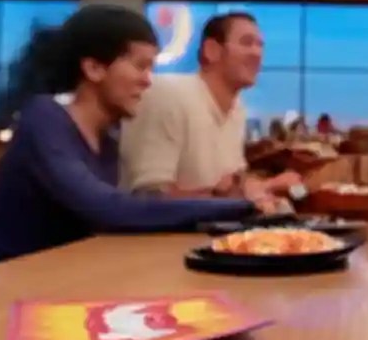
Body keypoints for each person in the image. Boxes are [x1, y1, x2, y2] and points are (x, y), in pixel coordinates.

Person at [0, 5, 258, 266]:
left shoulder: (107, 138)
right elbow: (110, 209)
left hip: (67, 276)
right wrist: (242, 207)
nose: (148, 81)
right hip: (11, 281)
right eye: (140, 66)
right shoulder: (44, 119)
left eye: (151, 69)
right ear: (94, 68)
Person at [120, 11, 300, 199]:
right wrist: (225, 197)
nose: (257, 54)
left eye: (260, 46)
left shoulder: (237, 109)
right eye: (246, 43)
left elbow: (231, 185)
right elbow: (148, 198)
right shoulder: (168, 95)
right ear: (211, 50)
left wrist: (266, 188)